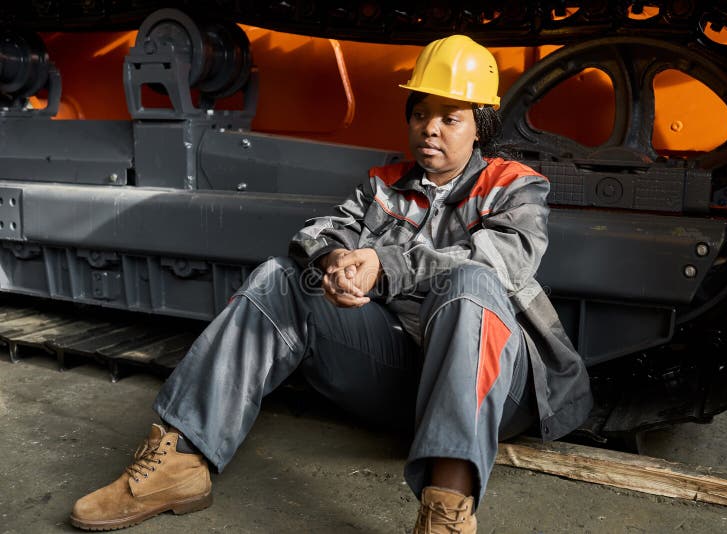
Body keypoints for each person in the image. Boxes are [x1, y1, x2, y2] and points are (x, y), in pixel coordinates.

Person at [69, 34, 592, 533]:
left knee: (473, 282)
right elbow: (320, 230)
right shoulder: (383, 185)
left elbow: (507, 259)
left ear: (480, 125)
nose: (430, 129)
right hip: (403, 380)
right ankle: (181, 460)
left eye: (450, 118)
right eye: (420, 113)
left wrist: (384, 265)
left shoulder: (515, 185)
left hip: (498, 391)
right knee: (282, 277)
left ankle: (447, 506)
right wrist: (339, 260)